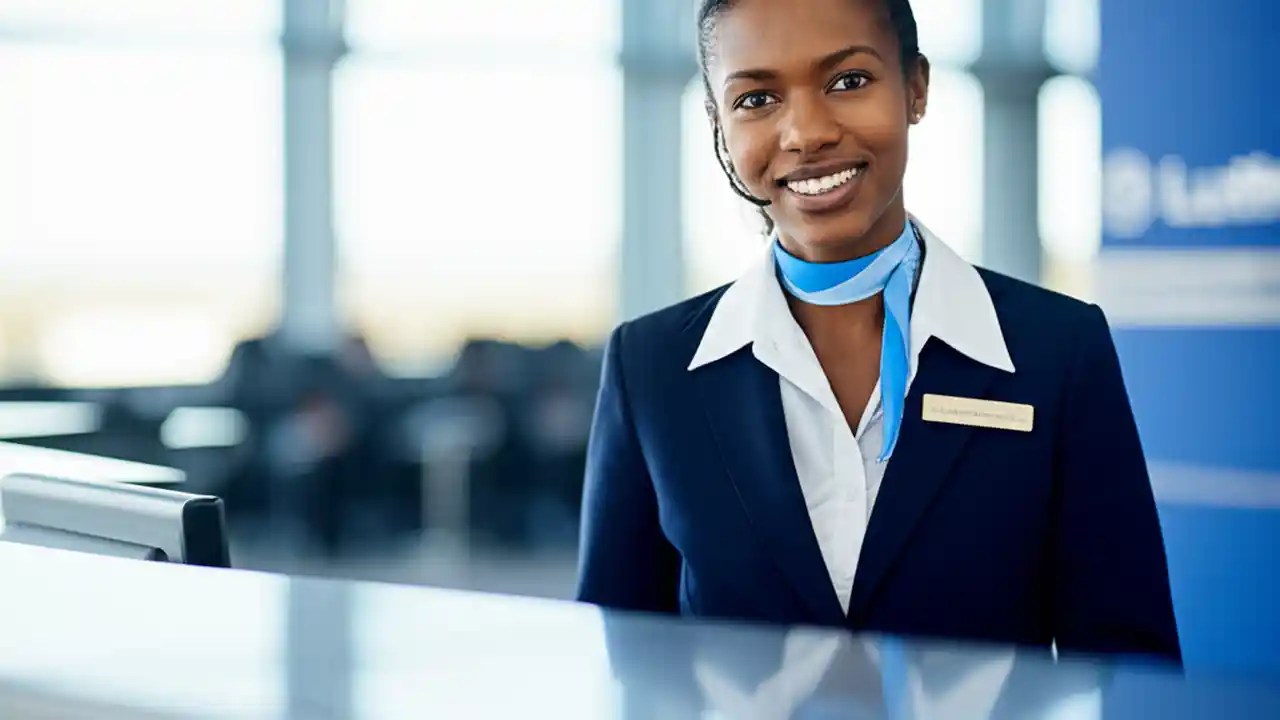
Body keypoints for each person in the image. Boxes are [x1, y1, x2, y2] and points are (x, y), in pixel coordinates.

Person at [576, 0, 1181, 663]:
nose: (806, 133)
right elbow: (618, 665)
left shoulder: (1056, 351)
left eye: (849, 81)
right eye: (756, 99)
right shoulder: (652, 368)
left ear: (915, 88)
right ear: (719, 124)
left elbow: (1132, 672)